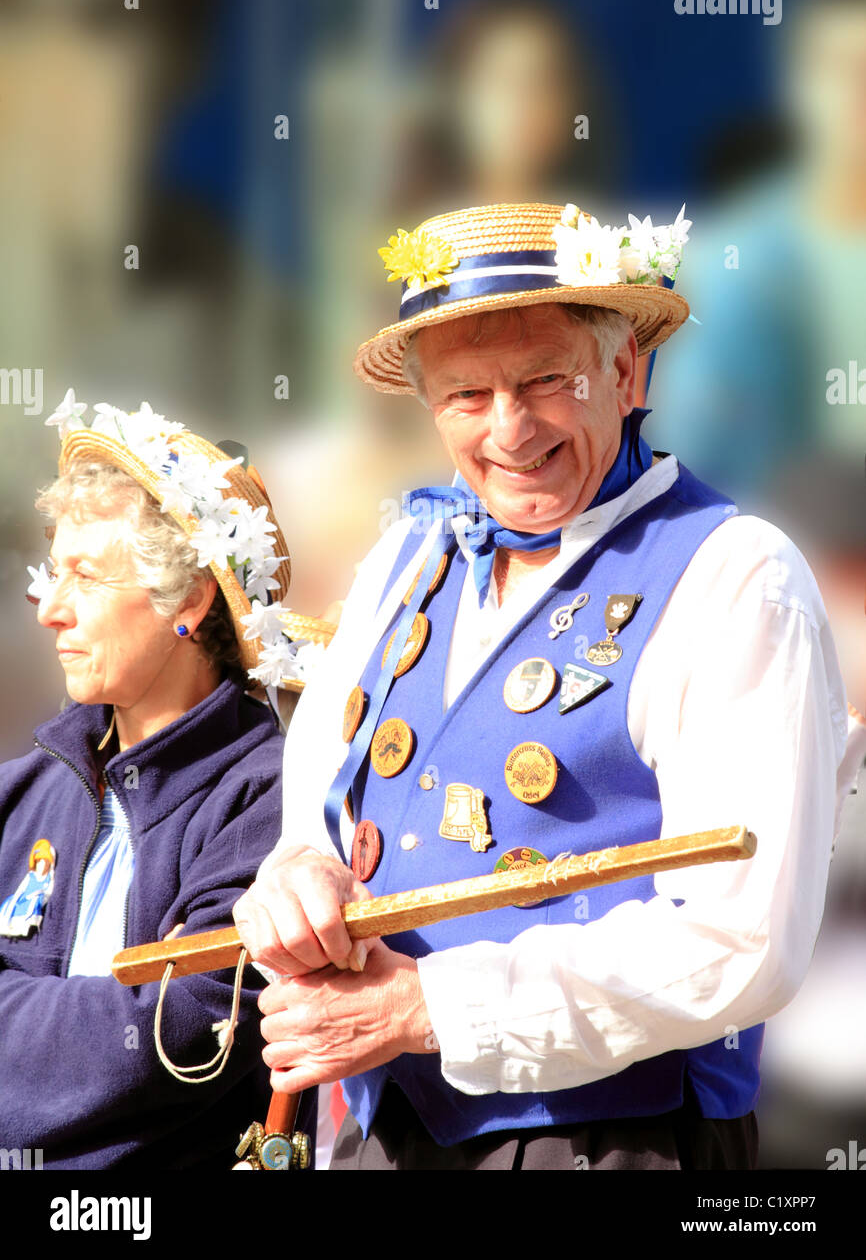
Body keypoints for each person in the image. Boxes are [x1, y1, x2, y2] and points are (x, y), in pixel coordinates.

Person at [233, 200, 861, 1170]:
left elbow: (744, 937)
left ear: (624, 371)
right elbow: (312, 816)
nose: (509, 428)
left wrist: (424, 1007)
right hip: (383, 1134)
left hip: (613, 1141)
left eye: (541, 381)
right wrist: (297, 882)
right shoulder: (408, 553)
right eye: (465, 397)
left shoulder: (734, 574)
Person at [0, 391, 312, 1169]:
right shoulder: (19, 793)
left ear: (190, 599)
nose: (50, 608)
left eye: (86, 577)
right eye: (52, 572)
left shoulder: (272, 800)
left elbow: (171, 1038)